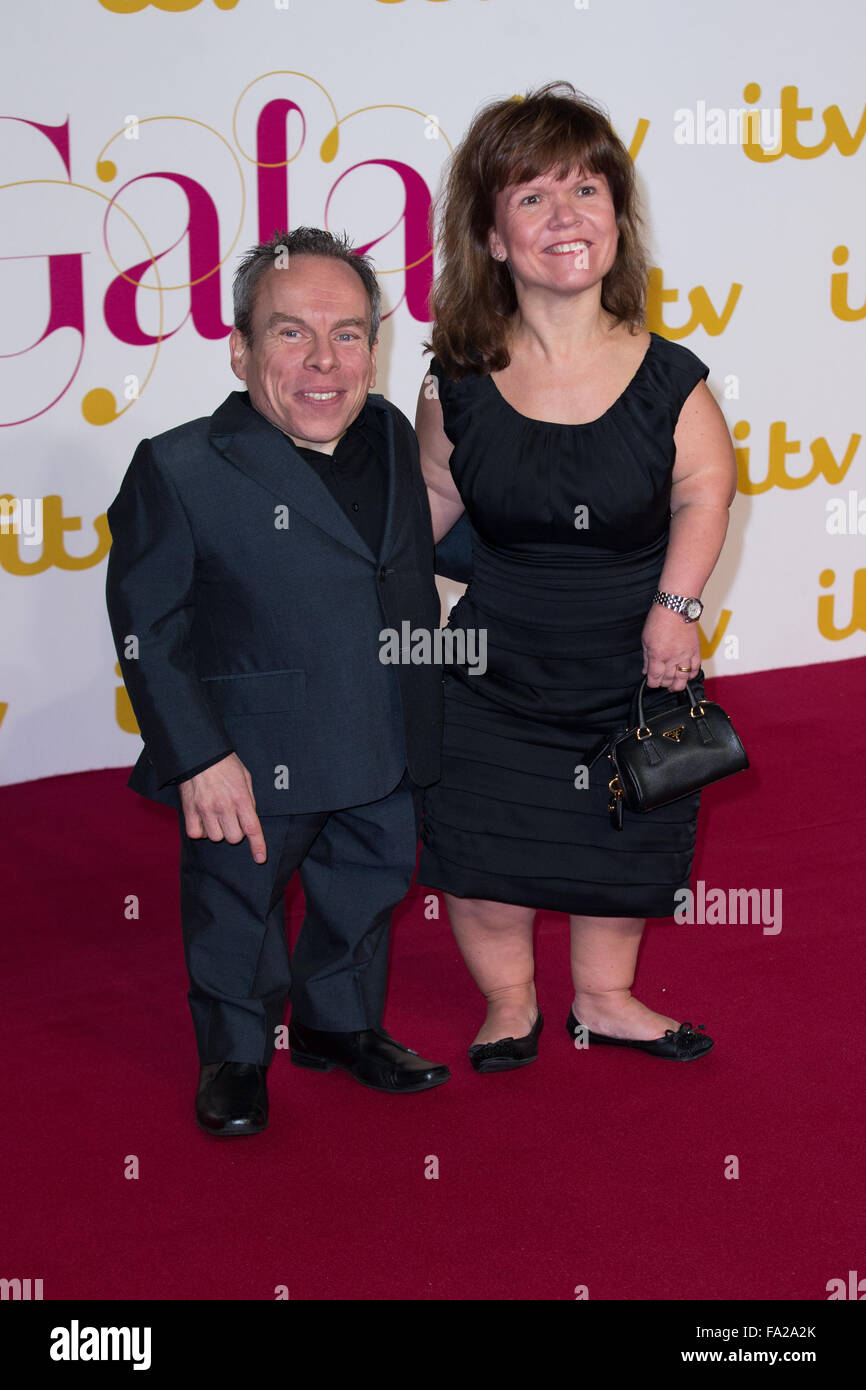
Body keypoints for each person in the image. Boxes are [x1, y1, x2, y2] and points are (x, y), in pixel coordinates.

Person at [415, 83, 738, 1072]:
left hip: (635, 655)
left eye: (586, 189)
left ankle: (604, 998)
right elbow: (426, 510)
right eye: (532, 196)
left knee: (619, 833)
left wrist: (675, 611)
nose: (566, 216)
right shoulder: (454, 381)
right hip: (497, 662)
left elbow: (703, 495)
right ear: (492, 237)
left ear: (615, 220)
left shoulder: (669, 377)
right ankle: (509, 1002)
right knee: (480, 844)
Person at [106, 227, 450, 1137]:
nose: (323, 360)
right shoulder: (179, 467)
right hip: (250, 758)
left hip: (382, 729)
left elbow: (402, 570)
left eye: (347, 333)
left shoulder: (387, 427)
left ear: (374, 348)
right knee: (236, 906)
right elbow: (151, 628)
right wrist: (198, 756)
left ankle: (341, 1026)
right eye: (291, 332)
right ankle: (236, 1053)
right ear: (240, 347)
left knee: (366, 888)